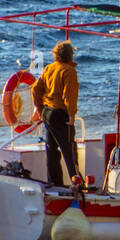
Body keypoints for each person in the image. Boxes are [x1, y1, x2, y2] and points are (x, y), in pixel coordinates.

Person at [32, 41, 81, 188]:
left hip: (47, 112)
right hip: (60, 115)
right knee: (69, 150)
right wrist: (71, 115)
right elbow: (69, 96)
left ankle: (54, 183)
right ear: (70, 55)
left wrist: (40, 109)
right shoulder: (69, 71)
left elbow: (35, 89)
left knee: (51, 149)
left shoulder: (49, 68)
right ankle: (77, 183)